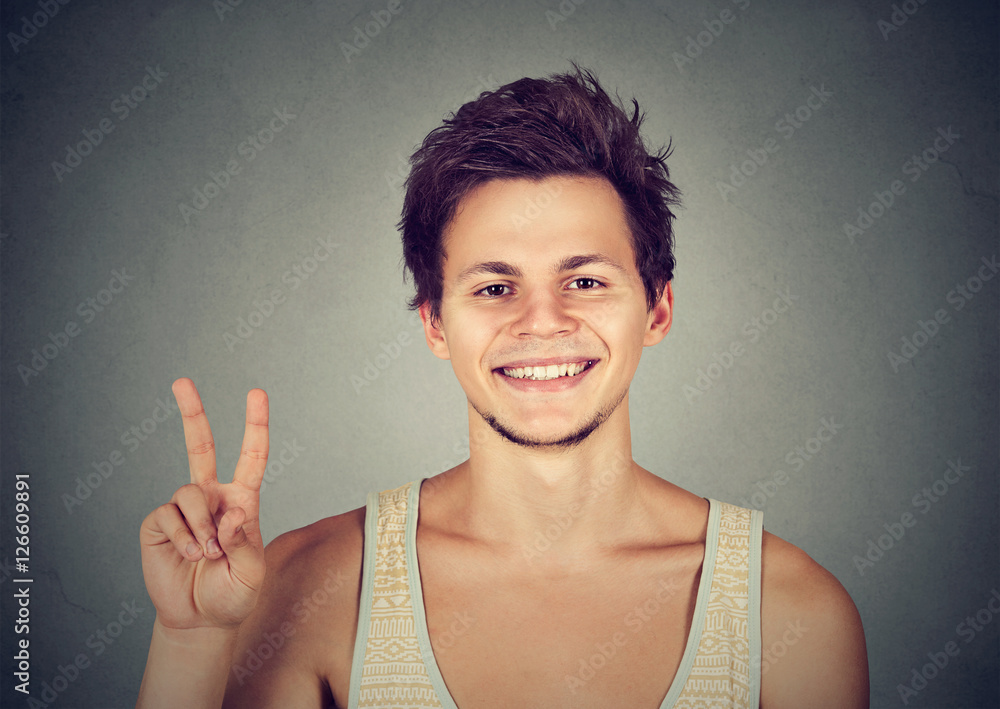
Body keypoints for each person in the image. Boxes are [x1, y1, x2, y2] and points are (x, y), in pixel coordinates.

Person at [136, 67, 869, 708]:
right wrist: (190, 637)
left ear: (657, 308)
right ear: (434, 322)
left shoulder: (788, 610)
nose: (542, 322)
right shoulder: (307, 588)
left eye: (584, 280)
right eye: (494, 286)